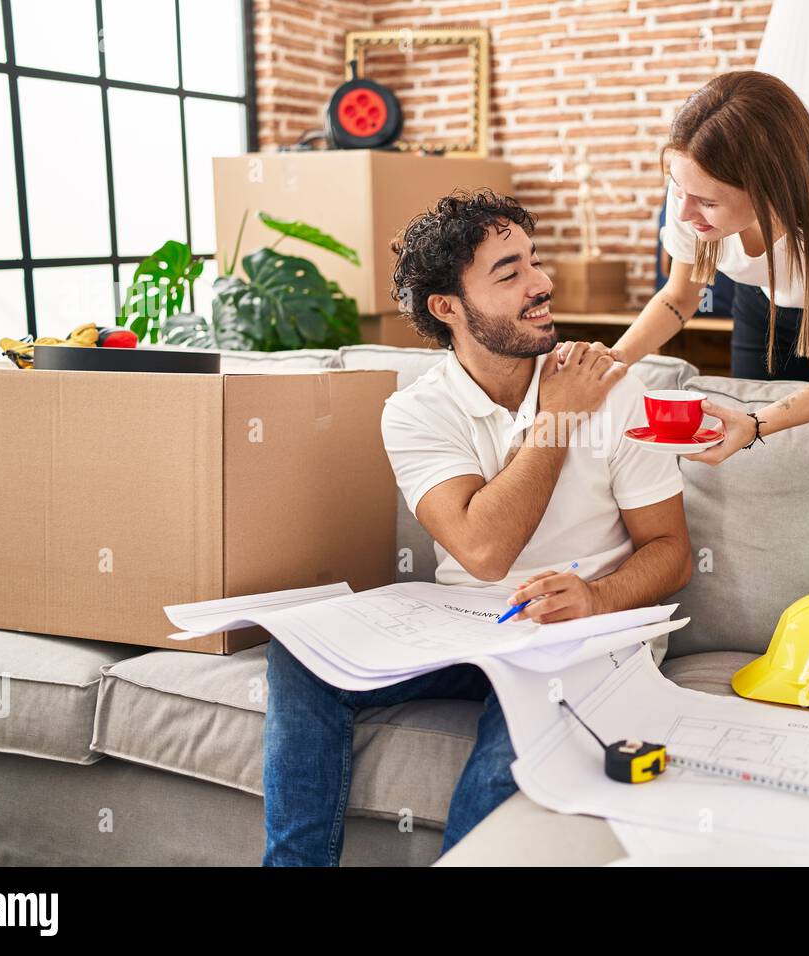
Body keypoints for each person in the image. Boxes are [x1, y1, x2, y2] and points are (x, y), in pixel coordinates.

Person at [261, 189, 692, 865]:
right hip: (467, 627)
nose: (542, 284)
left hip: (579, 636)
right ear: (447, 308)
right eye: (509, 272)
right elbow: (486, 553)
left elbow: (671, 552)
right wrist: (556, 420)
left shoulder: (611, 388)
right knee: (300, 654)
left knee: (504, 768)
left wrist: (598, 598)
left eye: (535, 262)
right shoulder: (415, 412)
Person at [559, 70, 809, 467]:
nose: (682, 212)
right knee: (758, 456)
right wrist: (615, 359)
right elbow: (679, 298)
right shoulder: (692, 185)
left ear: (771, 190)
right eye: (679, 190)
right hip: (764, 303)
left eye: (707, 203)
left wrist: (756, 423)